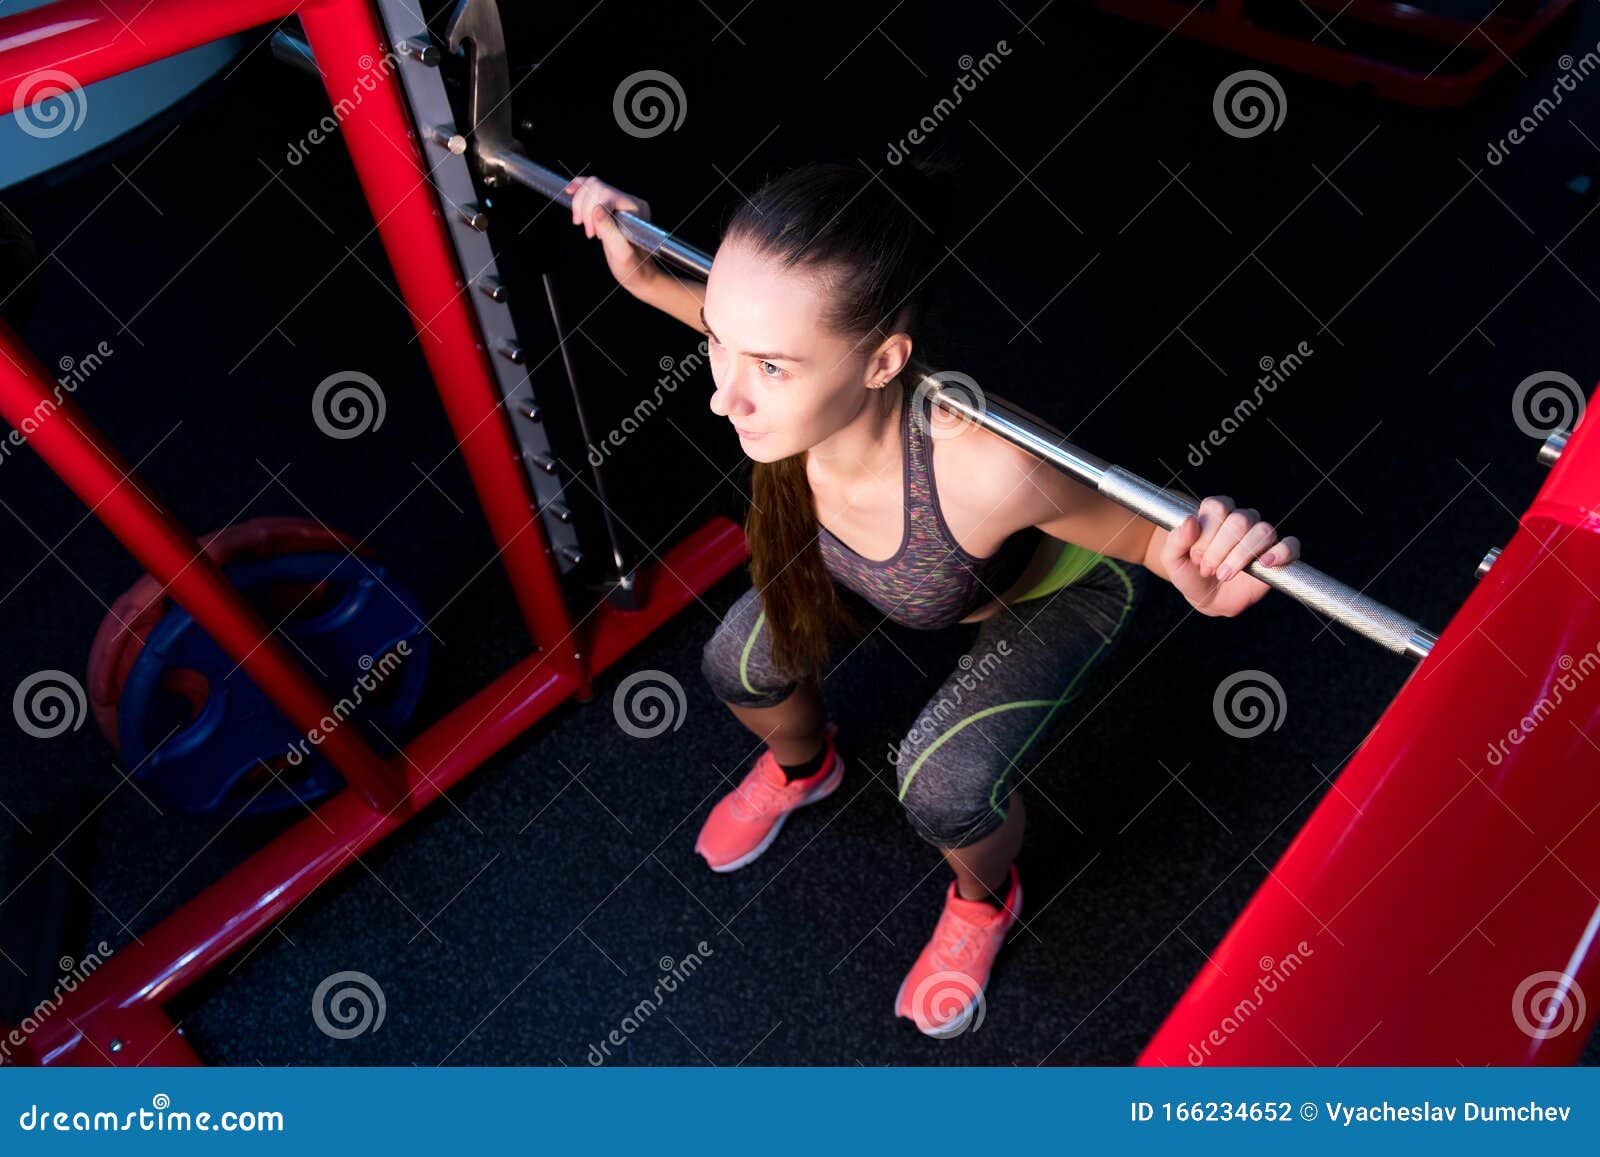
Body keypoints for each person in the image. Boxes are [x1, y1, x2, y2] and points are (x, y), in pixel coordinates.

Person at [564, 161, 1299, 1037]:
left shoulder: (991, 466)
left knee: (940, 787)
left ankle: (986, 898)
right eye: (721, 339)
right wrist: (644, 269)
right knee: (735, 663)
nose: (725, 394)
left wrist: (1203, 568)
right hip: (876, 568)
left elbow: (1146, 540)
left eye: (767, 365)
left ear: (883, 359)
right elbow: (733, 320)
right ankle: (806, 767)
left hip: (1034, 594)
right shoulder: (781, 376)